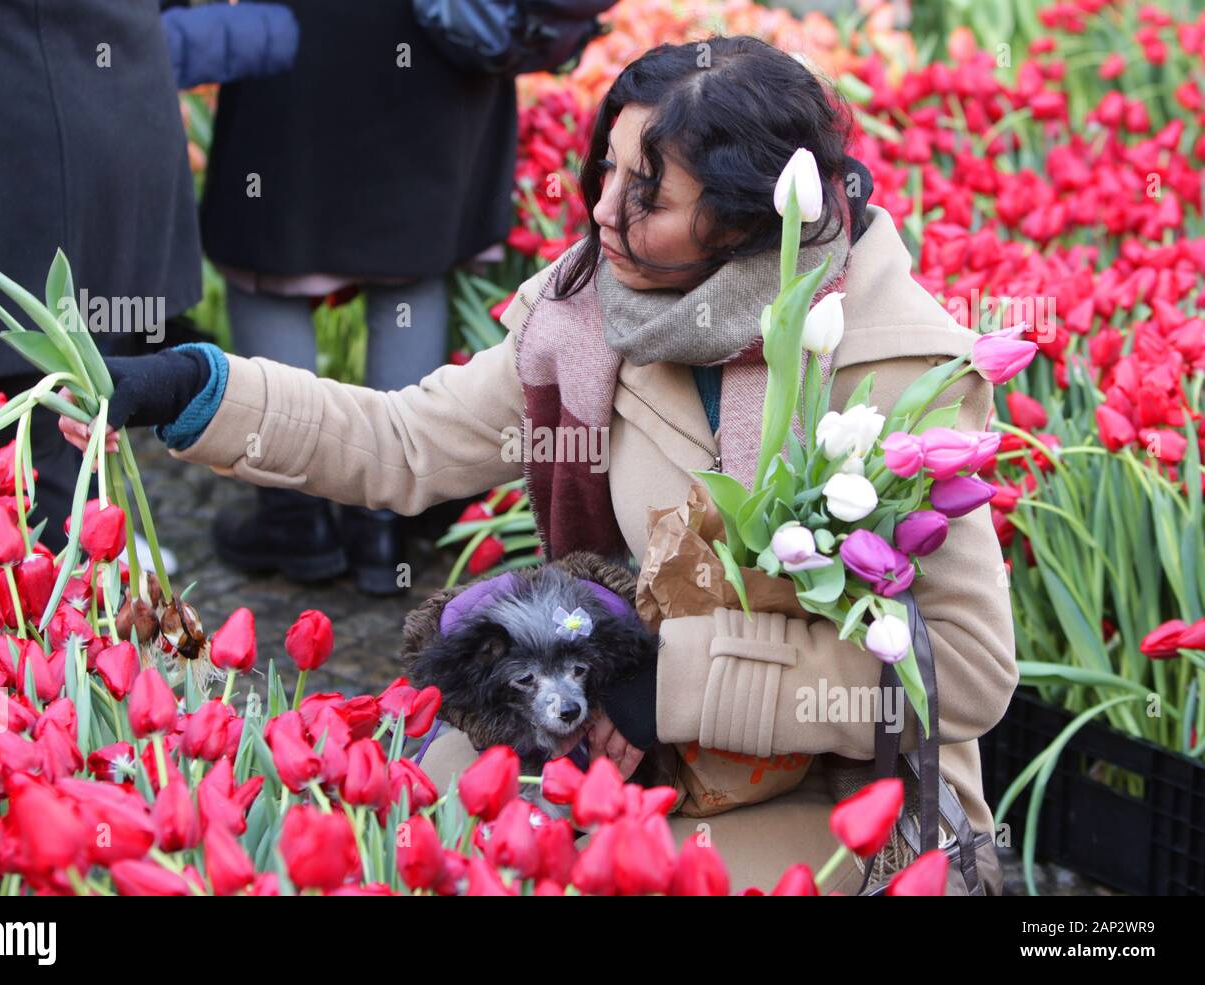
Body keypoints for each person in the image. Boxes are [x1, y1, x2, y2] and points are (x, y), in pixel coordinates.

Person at [59, 37, 1017, 894]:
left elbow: (967, 675)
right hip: (605, 733)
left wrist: (670, 683)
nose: (600, 210)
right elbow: (408, 442)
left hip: (831, 789)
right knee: (416, 813)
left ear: (744, 220)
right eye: (606, 171)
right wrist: (194, 387)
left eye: (648, 193)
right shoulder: (588, 311)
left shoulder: (890, 374)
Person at [195, 0, 518, 594]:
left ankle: (296, 518)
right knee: (409, 269)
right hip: (431, 45)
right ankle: (383, 525)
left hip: (304, 41)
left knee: (271, 264)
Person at [0, 0, 202, 552]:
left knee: (2, 442)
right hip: (109, 94)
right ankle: (93, 565)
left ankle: (63, 598)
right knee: (73, 400)